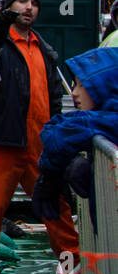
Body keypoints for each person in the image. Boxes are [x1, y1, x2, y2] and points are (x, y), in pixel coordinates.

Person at [0, 0, 80, 274]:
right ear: (9, 6)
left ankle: (72, 269)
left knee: (58, 210)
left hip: (39, 144)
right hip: (0, 142)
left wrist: (57, 136)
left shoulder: (45, 51)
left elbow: (54, 99)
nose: (29, 7)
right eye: (22, 1)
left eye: (34, 2)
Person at [33, 47, 118, 225]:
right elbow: (61, 127)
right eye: (74, 84)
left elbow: (60, 134)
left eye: (81, 84)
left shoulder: (108, 120)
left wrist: (50, 173)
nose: (74, 92)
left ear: (103, 85)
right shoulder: (102, 118)